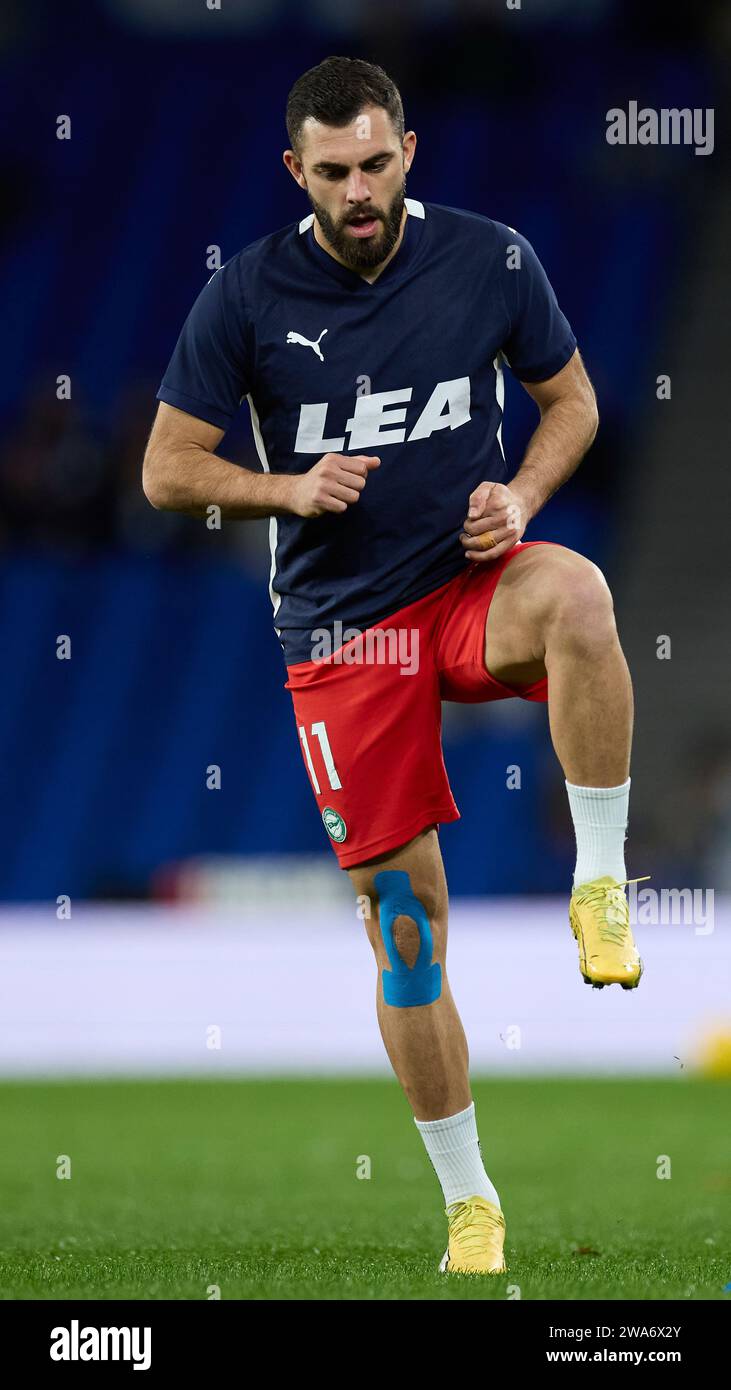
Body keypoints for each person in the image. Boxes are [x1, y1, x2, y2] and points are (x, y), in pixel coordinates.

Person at [143, 56, 641, 1276]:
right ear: (294, 173)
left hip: (469, 585)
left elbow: (570, 402)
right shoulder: (247, 297)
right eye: (332, 174)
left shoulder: (489, 257)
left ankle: (600, 882)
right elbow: (166, 469)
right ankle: (470, 1201)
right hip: (342, 630)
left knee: (578, 592)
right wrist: (283, 488)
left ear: (406, 152)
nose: (357, 191)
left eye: (374, 164)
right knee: (407, 931)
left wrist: (518, 495)